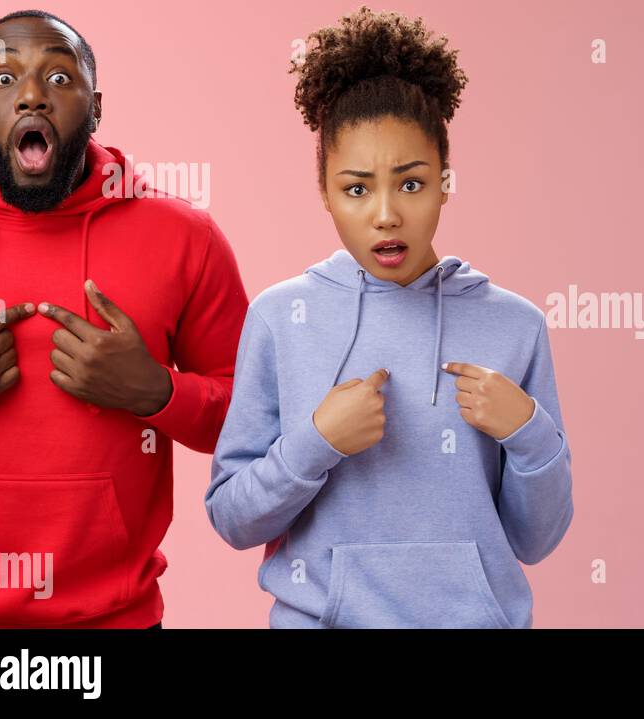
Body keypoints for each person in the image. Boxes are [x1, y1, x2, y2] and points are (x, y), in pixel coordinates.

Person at [206, 7, 573, 629]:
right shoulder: (279, 318)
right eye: (356, 188)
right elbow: (233, 520)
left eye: (411, 183)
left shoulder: (515, 325)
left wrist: (529, 434)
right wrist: (317, 442)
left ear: (445, 181)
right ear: (323, 189)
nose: (385, 215)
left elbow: (535, 541)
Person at [0, 10, 249, 628]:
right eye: (5, 80)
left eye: (60, 78)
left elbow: (255, 420)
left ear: (96, 105)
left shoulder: (182, 236)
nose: (32, 94)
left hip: (115, 620)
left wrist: (156, 392)